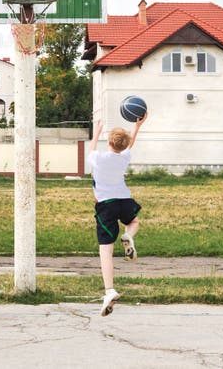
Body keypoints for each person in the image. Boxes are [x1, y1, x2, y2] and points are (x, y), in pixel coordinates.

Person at [87, 113, 148, 316]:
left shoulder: (98, 158)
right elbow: (130, 145)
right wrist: (137, 127)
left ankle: (109, 290)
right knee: (134, 221)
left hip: (105, 205)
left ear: (110, 142)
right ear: (124, 145)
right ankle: (129, 235)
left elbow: (91, 149)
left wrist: (96, 133)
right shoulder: (124, 159)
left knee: (106, 250)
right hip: (124, 201)